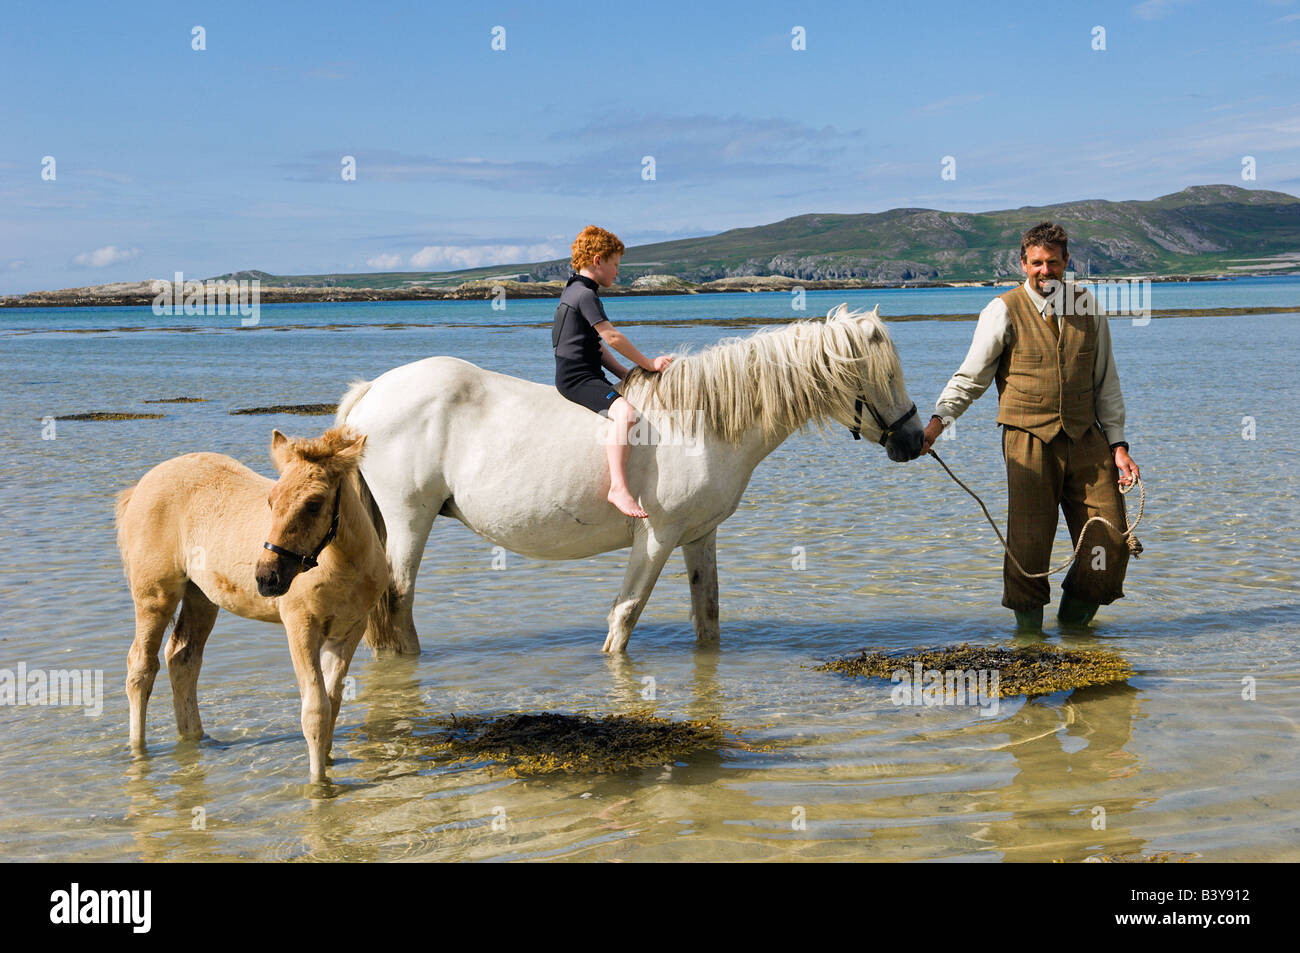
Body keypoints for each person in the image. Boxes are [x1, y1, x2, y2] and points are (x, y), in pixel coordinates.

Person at [921, 222, 1140, 629]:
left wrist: (1119, 446)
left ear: (1066, 263)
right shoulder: (1001, 310)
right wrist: (936, 424)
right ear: (1023, 264)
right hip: (1027, 442)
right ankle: (1030, 647)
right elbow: (971, 378)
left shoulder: (1088, 308)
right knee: (1028, 548)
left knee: (1111, 543)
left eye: (1053, 263)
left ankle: (1074, 632)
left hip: (1088, 441)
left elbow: (1106, 383)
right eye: (1036, 263)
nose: (1045, 271)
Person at [552, 225, 672, 518]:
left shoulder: (574, 289)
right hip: (577, 378)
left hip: (585, 371)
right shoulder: (585, 296)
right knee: (626, 415)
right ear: (597, 261)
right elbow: (612, 338)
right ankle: (618, 487)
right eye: (615, 264)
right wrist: (649, 364)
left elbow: (594, 346)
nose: (618, 272)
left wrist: (625, 374)